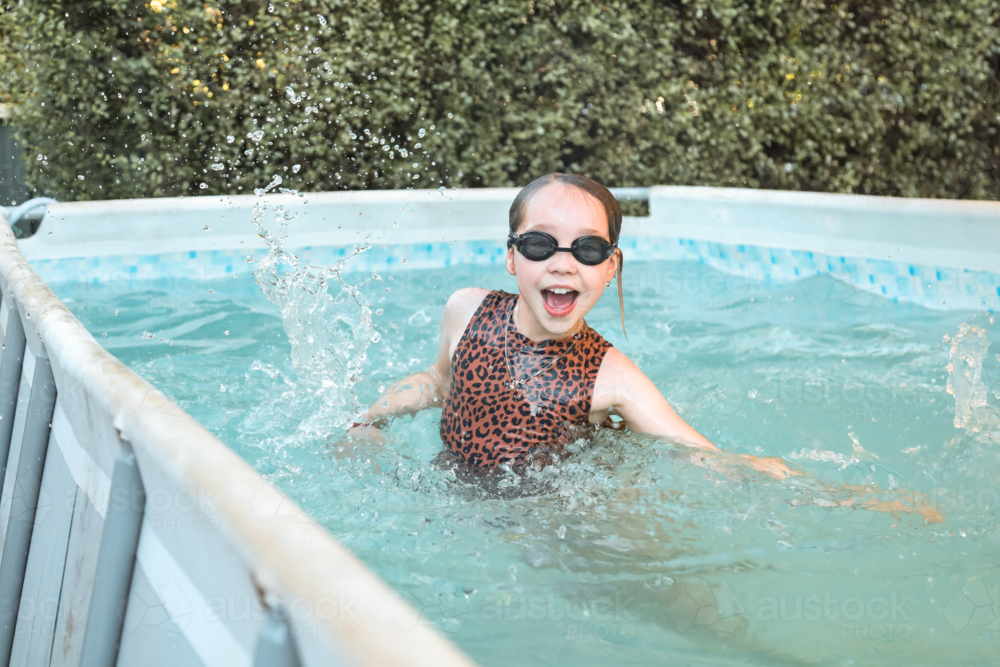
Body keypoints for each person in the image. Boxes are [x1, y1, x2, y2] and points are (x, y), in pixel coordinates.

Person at [348, 173, 798, 479]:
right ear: (511, 256)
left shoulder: (612, 376)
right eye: (541, 244)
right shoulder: (466, 311)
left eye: (587, 249)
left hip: (545, 515)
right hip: (446, 484)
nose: (563, 265)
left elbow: (700, 453)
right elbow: (436, 383)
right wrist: (368, 420)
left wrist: (778, 477)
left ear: (610, 266)